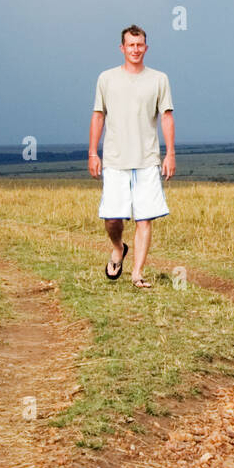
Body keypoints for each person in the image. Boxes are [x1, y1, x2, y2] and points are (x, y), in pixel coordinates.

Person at [87, 24, 175, 289]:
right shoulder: (106, 78)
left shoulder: (159, 79)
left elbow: (166, 117)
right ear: (122, 48)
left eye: (140, 45)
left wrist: (170, 153)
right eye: (131, 45)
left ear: (146, 48)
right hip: (114, 159)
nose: (135, 49)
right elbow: (98, 115)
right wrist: (93, 152)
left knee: (144, 218)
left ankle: (137, 273)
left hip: (148, 159)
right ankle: (118, 249)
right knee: (112, 218)